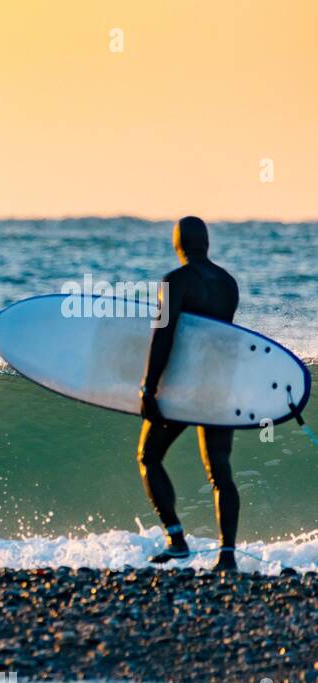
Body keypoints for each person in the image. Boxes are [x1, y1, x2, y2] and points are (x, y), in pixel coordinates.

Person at [138, 216, 240, 572]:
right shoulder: (229, 284)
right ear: (207, 243)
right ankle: (227, 556)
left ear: (177, 243)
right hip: (218, 386)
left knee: (149, 455)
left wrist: (149, 387)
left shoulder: (175, 281)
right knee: (220, 473)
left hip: (184, 387)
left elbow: (163, 335)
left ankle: (177, 539)